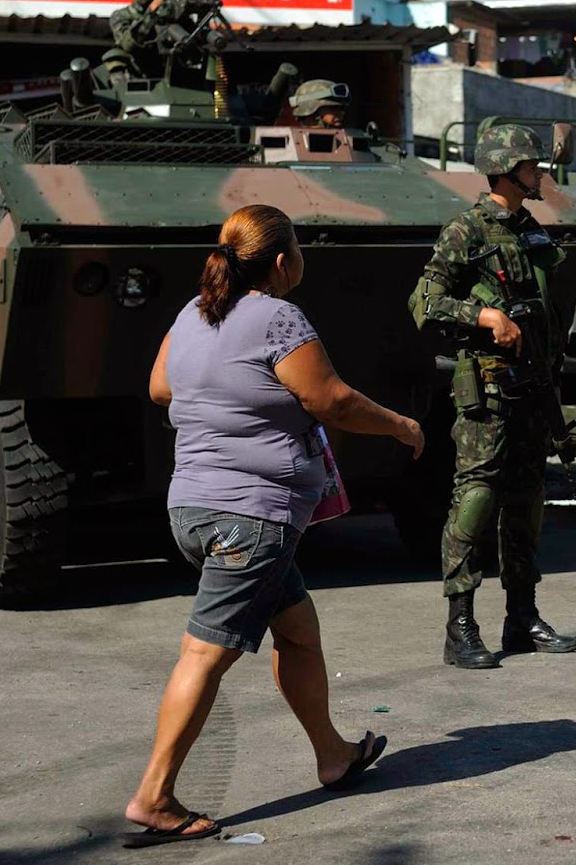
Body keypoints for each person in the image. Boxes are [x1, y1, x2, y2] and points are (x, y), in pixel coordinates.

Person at [125, 204, 425, 847]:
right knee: (205, 654)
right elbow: (332, 400)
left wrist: (225, 399)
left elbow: (159, 387)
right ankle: (154, 795)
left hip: (194, 508)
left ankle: (333, 754)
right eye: (300, 248)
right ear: (283, 261)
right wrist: (401, 426)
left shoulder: (193, 312)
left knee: (298, 632)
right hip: (251, 517)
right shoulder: (278, 316)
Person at [411, 123, 576, 668]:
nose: (541, 175)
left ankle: (522, 617)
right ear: (507, 169)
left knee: (527, 503)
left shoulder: (530, 230)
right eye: (533, 167)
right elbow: (423, 302)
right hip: (487, 390)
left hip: (532, 387)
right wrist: (482, 315)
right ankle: (460, 627)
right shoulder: (467, 231)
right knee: (476, 499)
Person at [102, 0, 191, 84]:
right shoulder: (121, 16)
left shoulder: (172, 15)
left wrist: (181, 0)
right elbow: (129, 44)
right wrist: (153, 8)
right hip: (136, 83)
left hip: (175, 84)